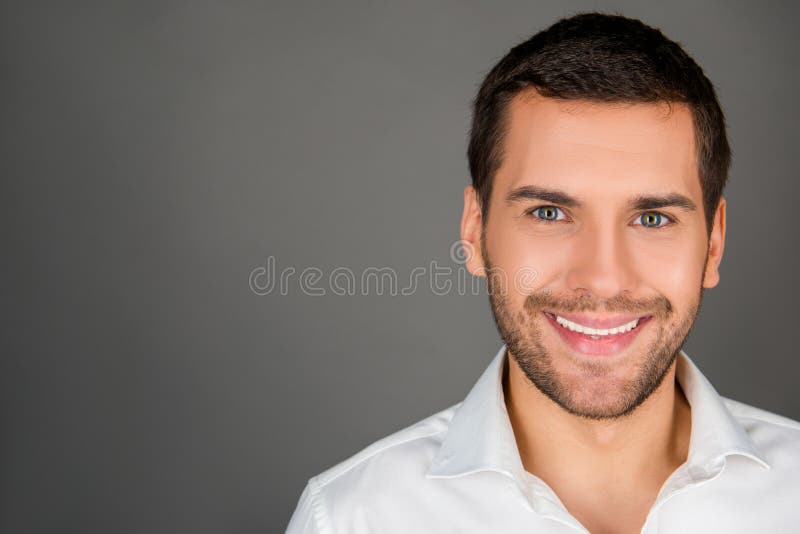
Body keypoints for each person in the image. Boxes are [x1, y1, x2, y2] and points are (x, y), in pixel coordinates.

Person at [285, 12, 800, 534]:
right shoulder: (353, 518)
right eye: (549, 213)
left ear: (713, 243)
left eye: (651, 219)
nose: (602, 279)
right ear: (474, 229)